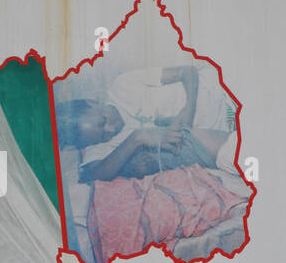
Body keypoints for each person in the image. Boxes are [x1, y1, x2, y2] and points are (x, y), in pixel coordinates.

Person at [56, 63, 233, 181]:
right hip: (226, 132)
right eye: (102, 136)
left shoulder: (123, 85)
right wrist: (136, 138)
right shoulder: (103, 148)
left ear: (93, 103)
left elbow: (188, 71)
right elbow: (91, 175)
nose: (110, 130)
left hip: (224, 92)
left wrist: (188, 109)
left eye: (103, 122)